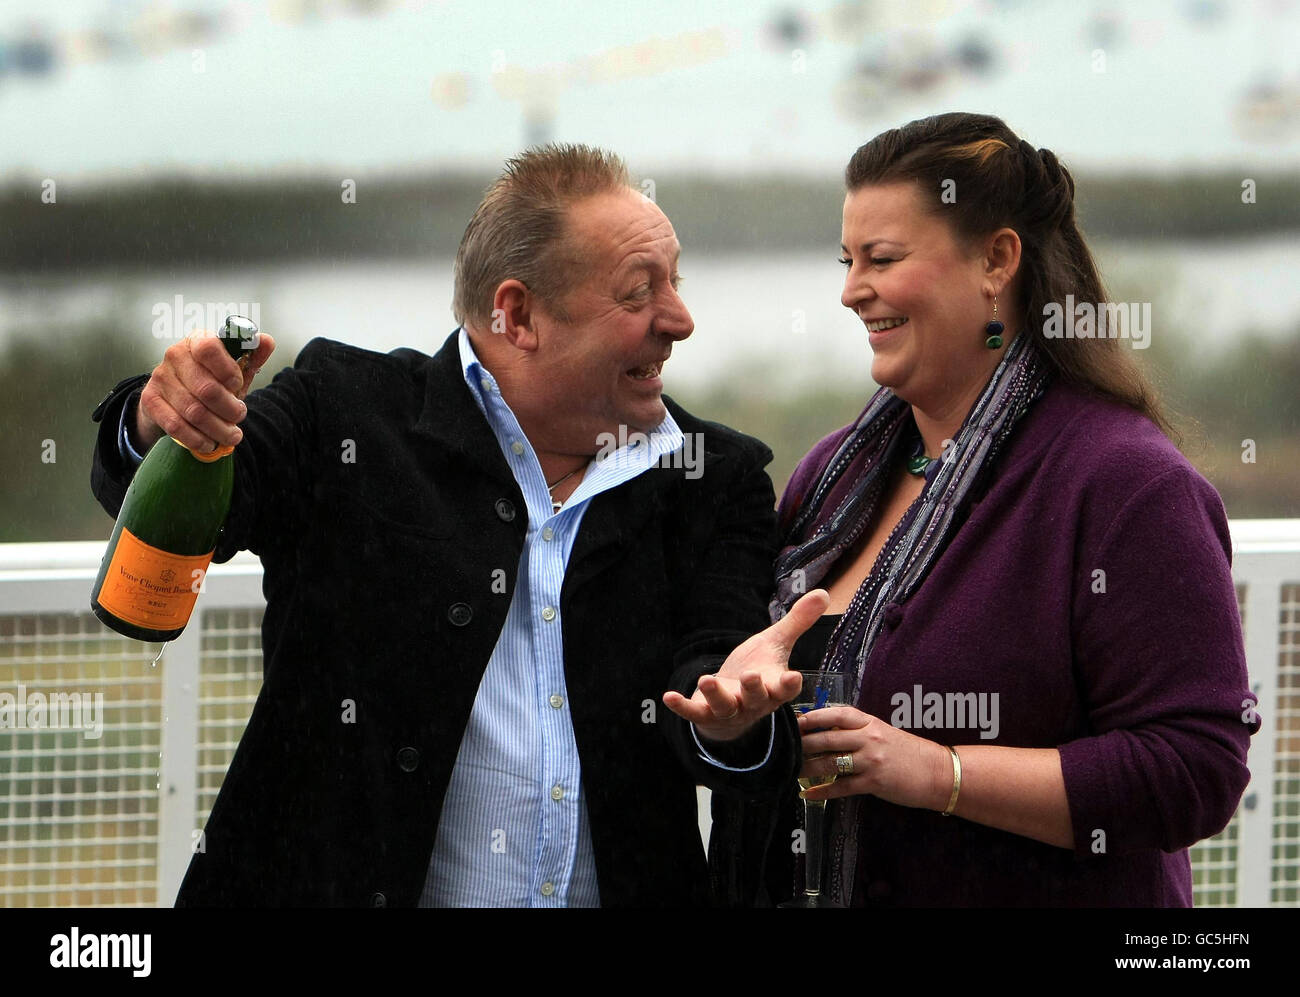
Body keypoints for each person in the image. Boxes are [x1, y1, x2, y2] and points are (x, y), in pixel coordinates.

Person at [89, 144, 817, 907]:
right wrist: (162, 418)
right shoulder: (345, 410)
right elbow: (191, 488)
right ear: (518, 313)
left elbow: (719, 688)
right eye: (639, 293)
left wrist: (732, 719)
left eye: (676, 281)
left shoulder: (713, 477)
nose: (681, 318)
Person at [702, 112, 1260, 907]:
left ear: (997, 259)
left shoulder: (1126, 484)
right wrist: (735, 721)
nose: (851, 290)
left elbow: (1194, 768)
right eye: (847, 259)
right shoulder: (831, 474)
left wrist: (941, 773)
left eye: (882, 259)